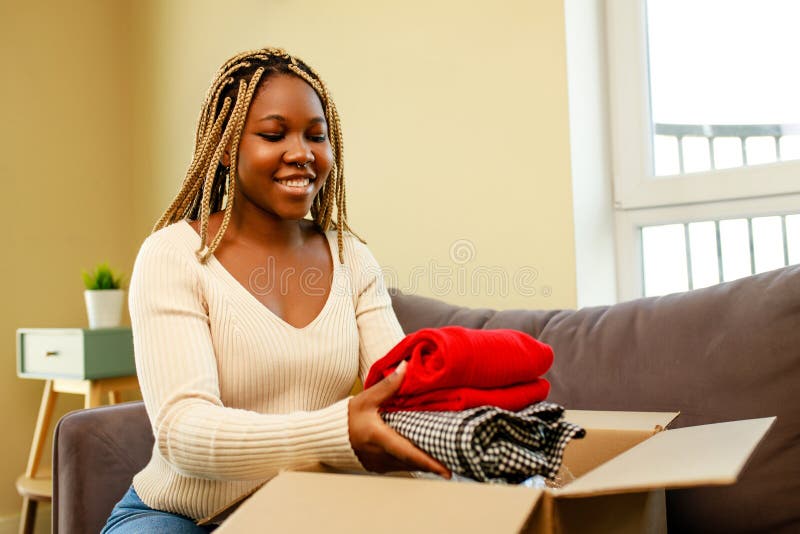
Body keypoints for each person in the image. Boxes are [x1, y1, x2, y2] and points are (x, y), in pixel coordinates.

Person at [101, 47, 449, 533]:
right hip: (182, 517)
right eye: (272, 134)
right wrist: (337, 431)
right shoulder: (173, 256)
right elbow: (184, 434)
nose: (301, 153)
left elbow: (402, 396)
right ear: (225, 147)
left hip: (304, 517)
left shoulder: (351, 257)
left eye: (316, 136)